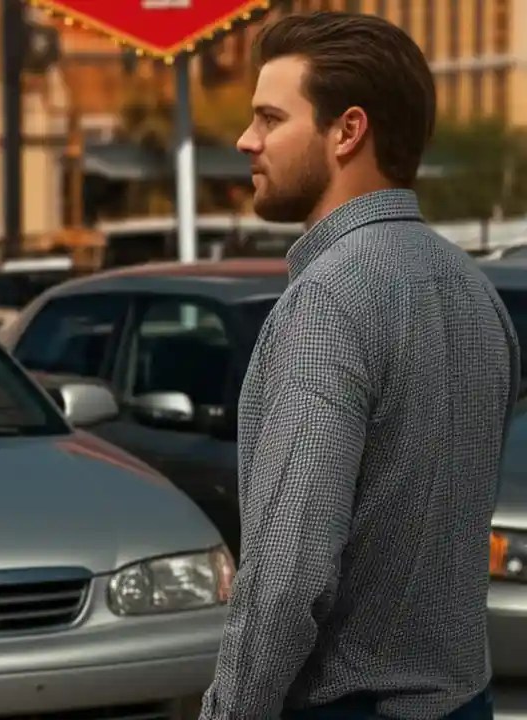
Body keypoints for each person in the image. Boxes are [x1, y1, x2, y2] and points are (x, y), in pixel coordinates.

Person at [199, 11, 521, 720]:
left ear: (347, 132)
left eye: (270, 118)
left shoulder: (327, 303)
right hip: (464, 703)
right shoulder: (475, 290)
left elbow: (287, 577)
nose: (245, 140)